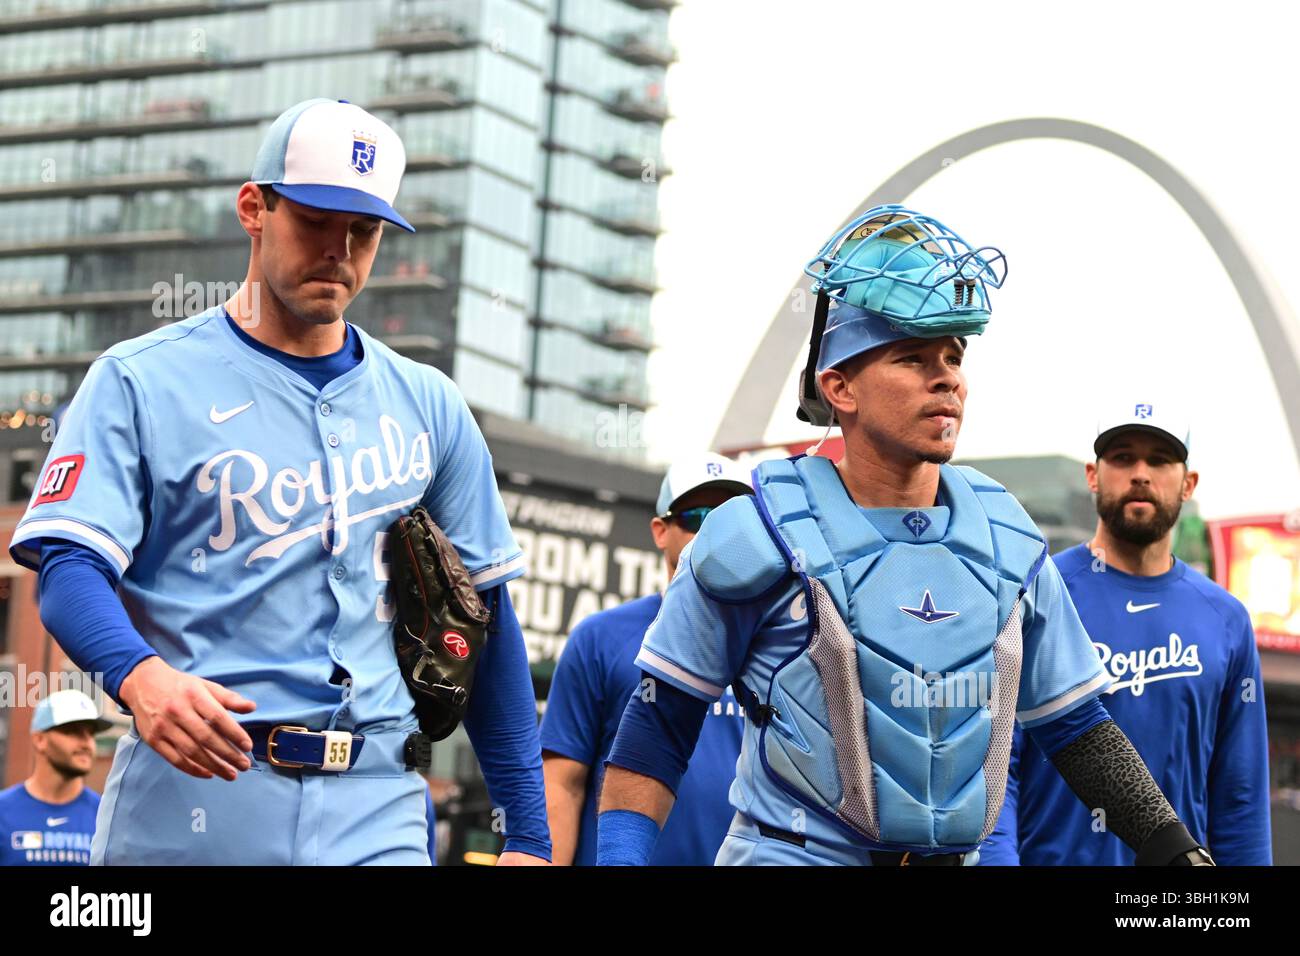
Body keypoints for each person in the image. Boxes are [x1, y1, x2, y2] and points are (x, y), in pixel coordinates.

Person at [8, 99, 550, 865]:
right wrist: (139, 677)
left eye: (363, 232)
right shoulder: (140, 380)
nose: (340, 250)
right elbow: (67, 570)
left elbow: (485, 616)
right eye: (317, 221)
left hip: (380, 799)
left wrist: (526, 833)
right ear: (253, 208)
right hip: (196, 793)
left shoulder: (428, 404)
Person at [595, 205, 1214, 866]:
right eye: (913, 357)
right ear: (839, 386)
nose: (946, 376)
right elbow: (658, 732)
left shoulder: (1007, 536)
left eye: (953, 354)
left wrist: (1174, 849)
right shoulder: (755, 533)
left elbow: (1077, 730)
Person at [980, 404, 1272, 865]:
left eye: (1158, 460)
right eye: (1122, 458)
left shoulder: (1226, 618)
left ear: (1188, 483)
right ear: (1093, 475)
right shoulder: (1036, 594)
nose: (1140, 474)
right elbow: (997, 769)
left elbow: (1240, 797)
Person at [541, 453, 750, 864]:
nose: (714, 532)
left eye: (732, 517)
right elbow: (562, 786)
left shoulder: (783, 641)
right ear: (661, 530)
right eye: (697, 517)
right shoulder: (599, 638)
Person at [0, 689, 111, 866]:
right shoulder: (3, 812)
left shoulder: (107, 817)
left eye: (91, 733)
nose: (86, 743)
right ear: (39, 740)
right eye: (73, 731)